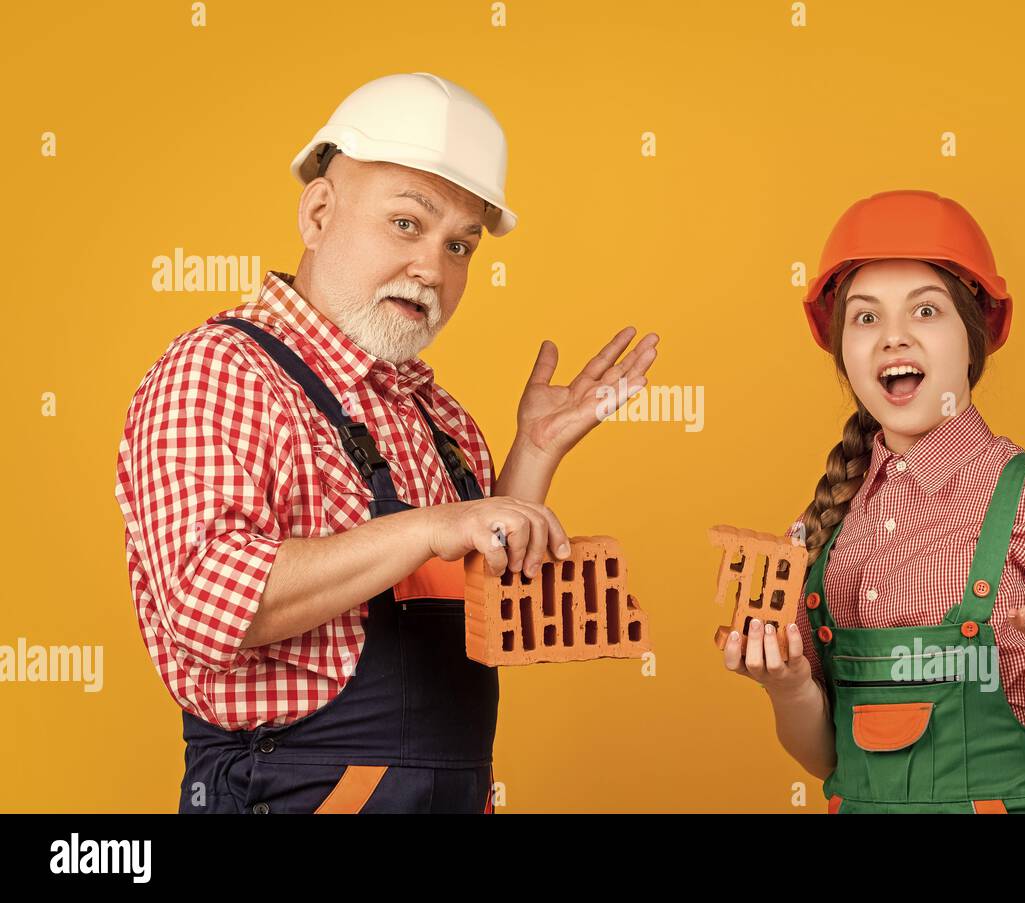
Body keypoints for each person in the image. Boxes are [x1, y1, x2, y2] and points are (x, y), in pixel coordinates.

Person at [114, 72, 657, 814]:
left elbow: (485, 606)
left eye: (460, 245)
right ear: (319, 210)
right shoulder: (222, 371)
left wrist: (532, 454)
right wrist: (431, 525)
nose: (433, 268)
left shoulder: (441, 420)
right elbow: (213, 606)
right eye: (407, 224)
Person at [721, 189, 1025, 813]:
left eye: (925, 312)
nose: (893, 338)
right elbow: (829, 760)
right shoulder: (827, 526)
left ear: (973, 338)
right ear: (842, 351)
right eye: (866, 318)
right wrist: (787, 688)